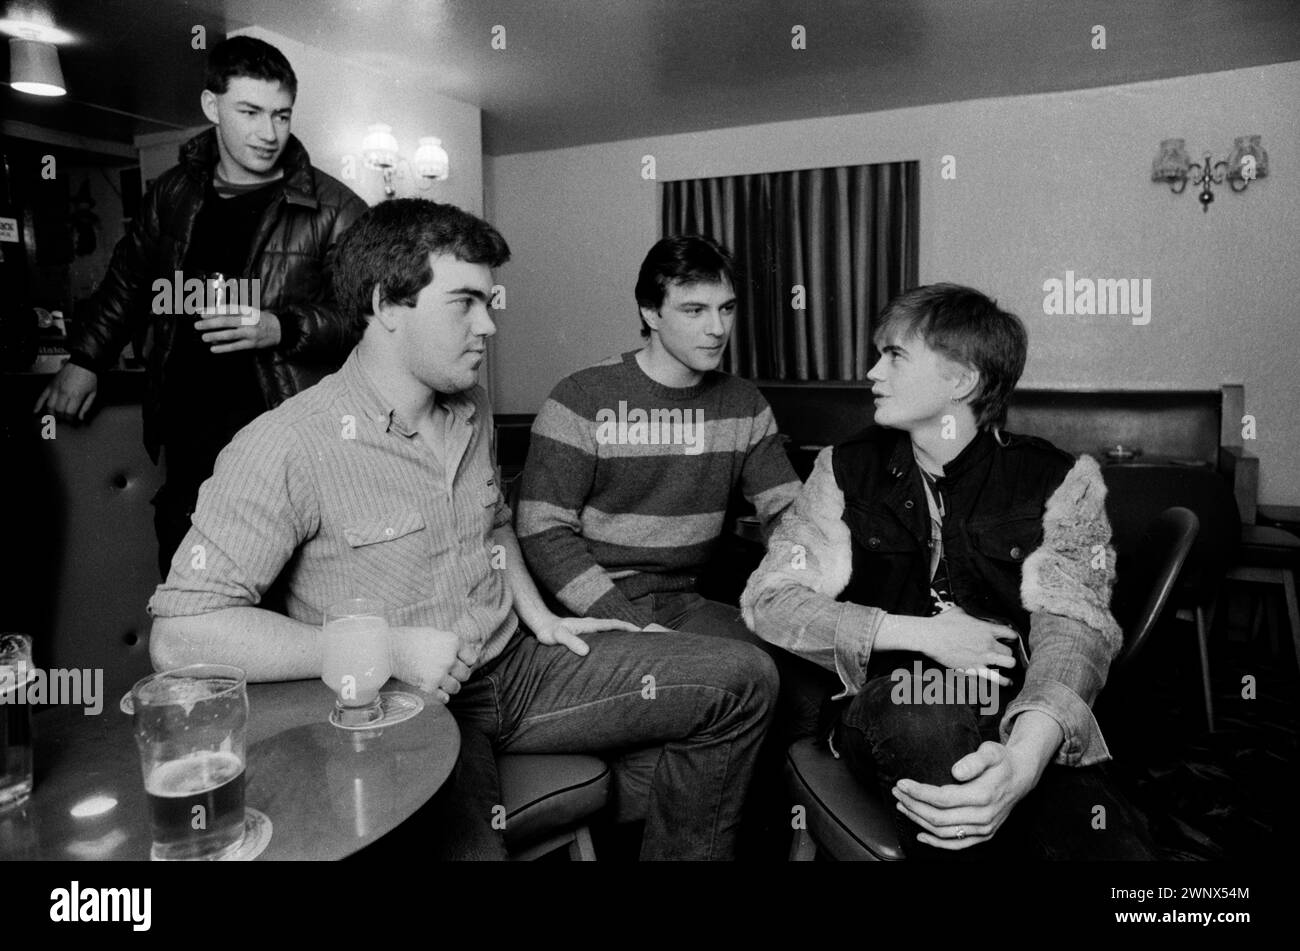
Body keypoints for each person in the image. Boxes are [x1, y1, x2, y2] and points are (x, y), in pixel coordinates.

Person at [147, 199, 777, 861]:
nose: (488, 324)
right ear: (387, 304)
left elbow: (497, 523)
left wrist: (541, 617)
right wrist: (385, 649)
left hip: (521, 668)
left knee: (745, 679)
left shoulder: (469, 403)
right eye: (465, 302)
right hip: (413, 705)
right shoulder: (285, 445)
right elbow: (182, 636)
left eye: (489, 301)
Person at [741, 283, 1153, 859]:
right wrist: (921, 635)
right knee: (924, 717)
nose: (871, 372)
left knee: (1115, 849)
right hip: (892, 702)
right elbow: (771, 599)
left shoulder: (1061, 480)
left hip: (1016, 713)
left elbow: (1076, 628)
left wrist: (1026, 757)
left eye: (894, 356)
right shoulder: (843, 469)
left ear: (961, 381)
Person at [35, 36, 366, 577]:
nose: (269, 132)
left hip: (285, 443)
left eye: (281, 115)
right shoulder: (173, 193)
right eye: (250, 112)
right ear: (212, 106)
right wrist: (85, 359)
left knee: (286, 608)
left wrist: (282, 327)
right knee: (188, 603)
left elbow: (370, 318)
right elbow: (130, 280)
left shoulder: (337, 207)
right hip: (189, 442)